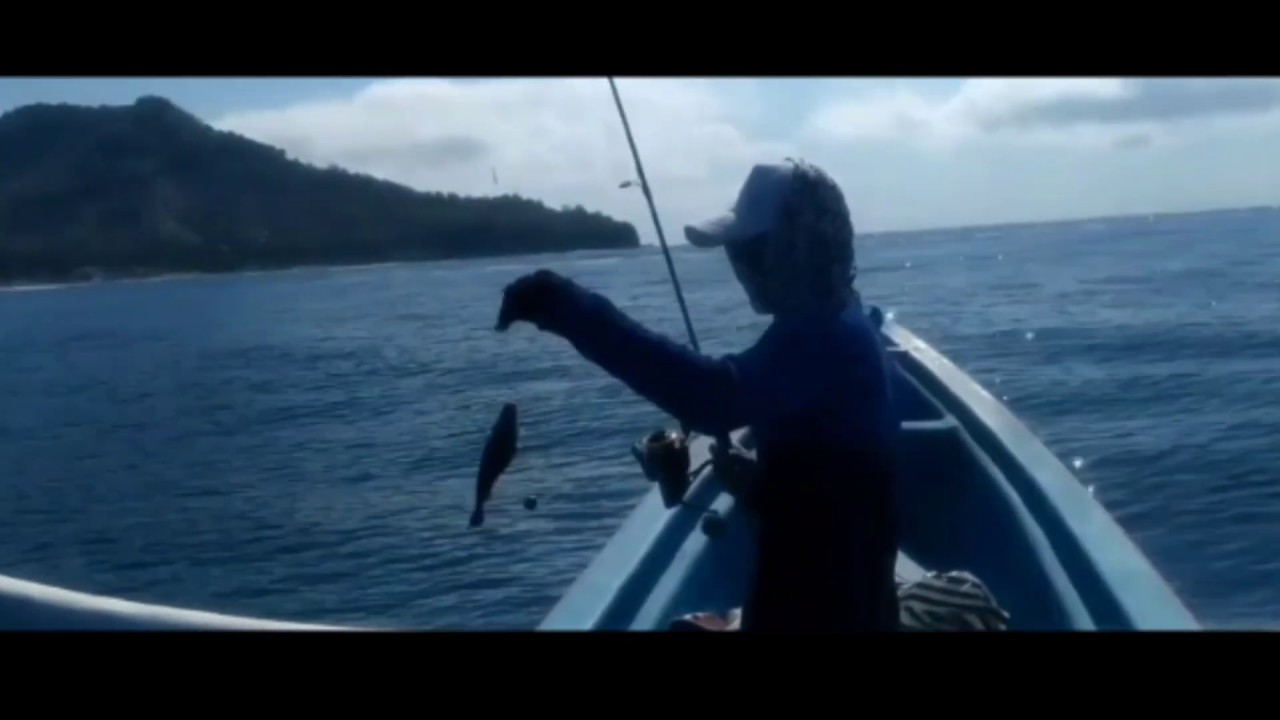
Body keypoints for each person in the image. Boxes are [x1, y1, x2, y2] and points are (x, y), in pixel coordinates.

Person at [496, 159, 901, 631]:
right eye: (735, 255)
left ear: (799, 250)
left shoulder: (827, 338)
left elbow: (714, 398)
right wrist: (766, 487)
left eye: (751, 254)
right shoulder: (837, 323)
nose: (740, 270)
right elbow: (840, 479)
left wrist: (564, 306)